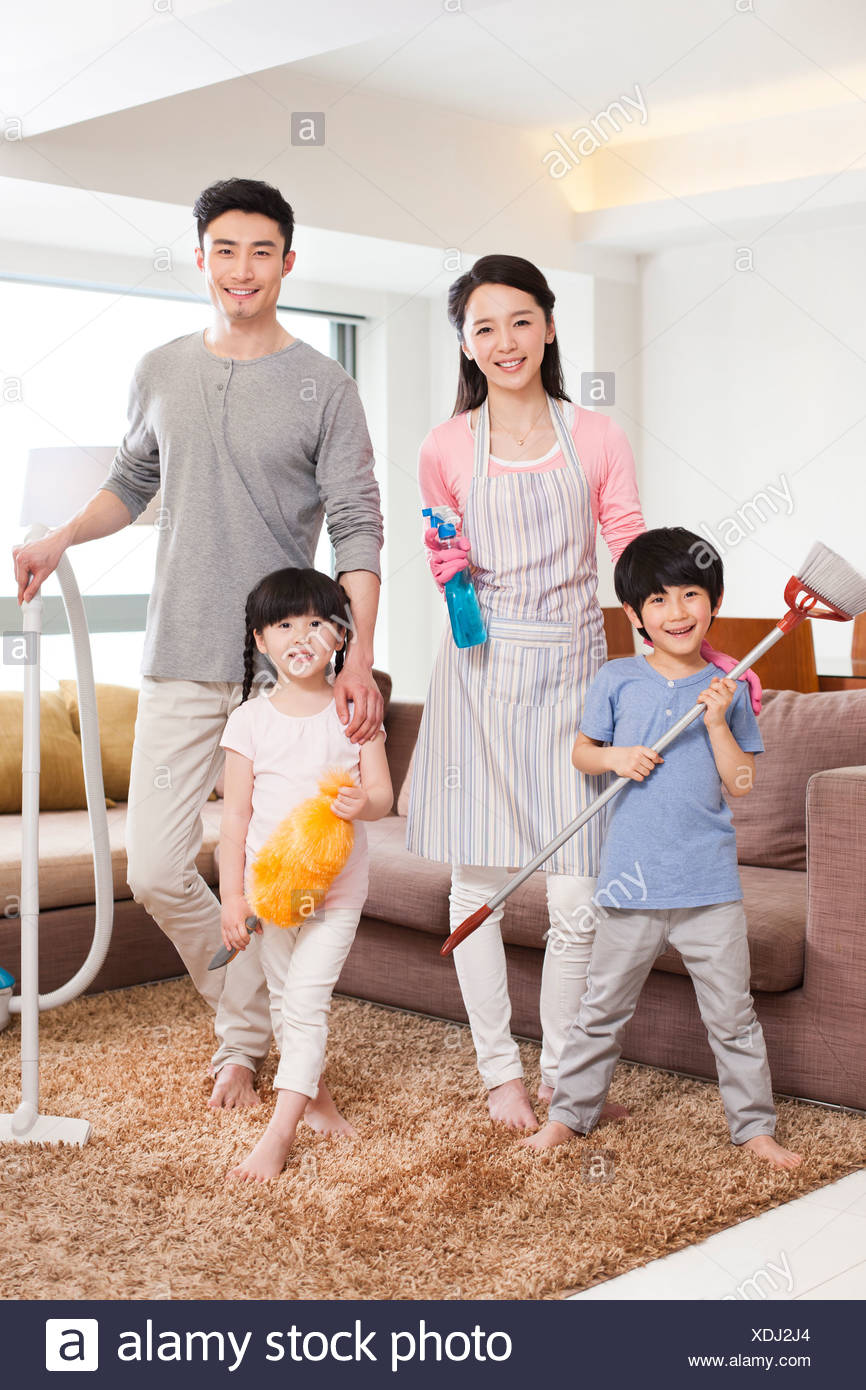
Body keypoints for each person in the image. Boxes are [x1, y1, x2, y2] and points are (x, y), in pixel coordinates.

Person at [11, 178, 384, 1110]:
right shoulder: (161, 368)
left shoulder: (325, 385)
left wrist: (359, 658)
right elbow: (132, 482)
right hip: (176, 652)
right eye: (226, 249)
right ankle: (261, 1025)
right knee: (155, 868)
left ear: (289, 262)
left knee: (281, 874)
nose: (243, 268)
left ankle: (247, 1047)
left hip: (286, 674)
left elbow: (359, 526)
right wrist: (59, 536)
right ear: (202, 258)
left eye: (262, 251)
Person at [406, 254, 646, 1130]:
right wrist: (450, 577)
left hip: (575, 673)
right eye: (483, 328)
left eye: (519, 321)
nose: (504, 341)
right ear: (465, 347)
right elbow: (448, 559)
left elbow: (625, 544)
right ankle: (500, 1072)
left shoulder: (598, 436)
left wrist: (677, 621)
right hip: (479, 672)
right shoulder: (443, 447)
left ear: (547, 325)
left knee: (579, 896)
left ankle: (566, 1075)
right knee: (480, 890)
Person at [523, 528, 803, 1169]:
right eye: (658, 600)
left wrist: (713, 722)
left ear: (715, 601)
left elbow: (742, 783)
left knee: (733, 1016)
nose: (677, 612)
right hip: (630, 883)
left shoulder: (728, 688)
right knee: (601, 1011)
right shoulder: (618, 678)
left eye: (690, 594)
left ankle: (754, 1129)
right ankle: (570, 1115)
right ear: (633, 614)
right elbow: (582, 752)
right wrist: (618, 756)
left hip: (709, 887)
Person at [218, 567, 392, 1181]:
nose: (302, 636)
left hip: (337, 892)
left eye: (317, 623)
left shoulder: (354, 711)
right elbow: (235, 821)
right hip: (271, 895)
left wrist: (361, 805)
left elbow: (383, 796)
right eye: (284, 624)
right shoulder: (249, 721)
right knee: (288, 999)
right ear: (261, 640)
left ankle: (278, 1134)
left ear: (339, 637)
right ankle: (315, 1100)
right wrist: (232, 898)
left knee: (308, 1003)